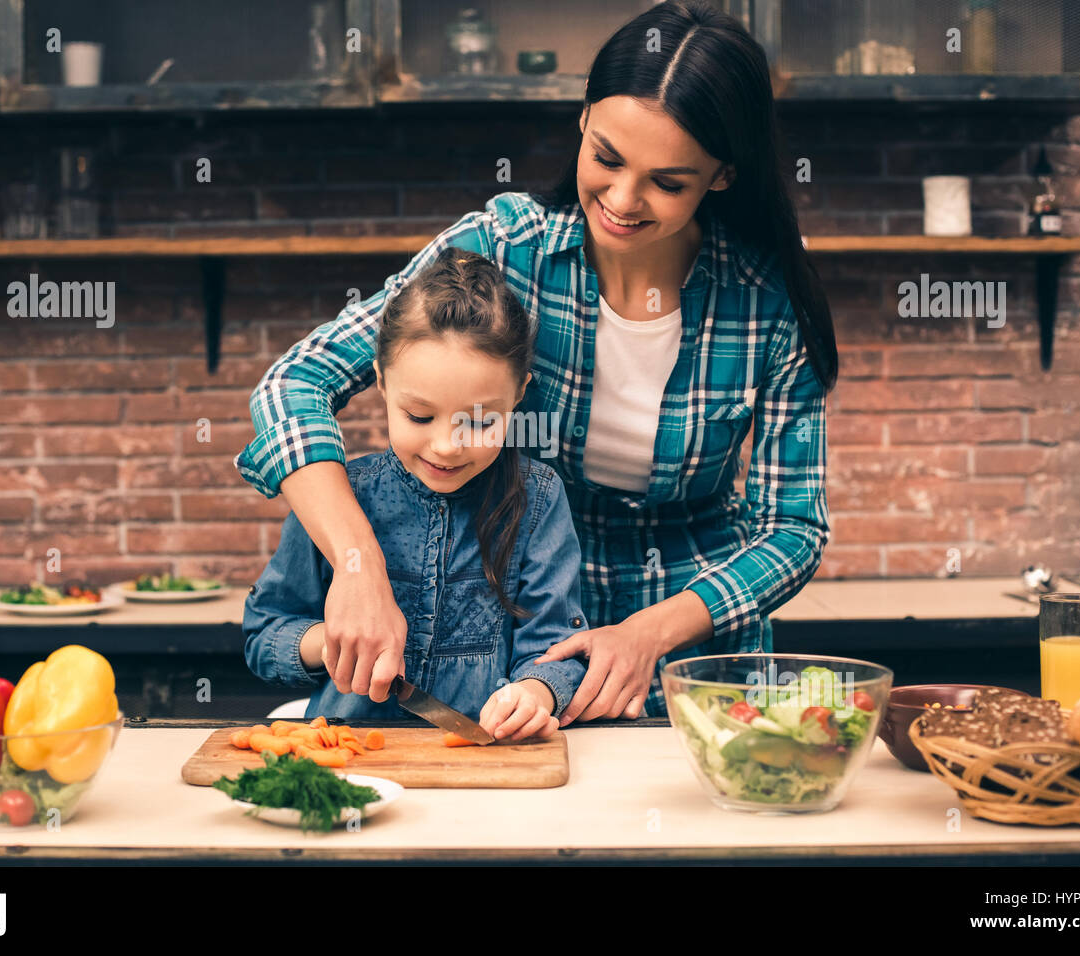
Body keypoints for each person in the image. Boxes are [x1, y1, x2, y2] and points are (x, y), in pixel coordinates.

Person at [236, 1, 836, 723]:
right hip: (522, 657)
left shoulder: (766, 302)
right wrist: (357, 567)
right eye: (607, 158)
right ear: (582, 120)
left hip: (698, 666)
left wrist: (651, 632)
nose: (621, 200)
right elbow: (294, 385)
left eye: (667, 182)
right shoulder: (503, 247)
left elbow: (792, 529)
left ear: (723, 177)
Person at [244, 250, 589, 741]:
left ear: (518, 397)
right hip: (352, 763)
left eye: (481, 421)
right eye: (420, 417)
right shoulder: (337, 494)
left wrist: (536, 693)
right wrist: (329, 644)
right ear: (382, 385)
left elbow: (556, 646)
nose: (448, 446)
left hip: (482, 767)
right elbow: (264, 634)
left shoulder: (540, 500)